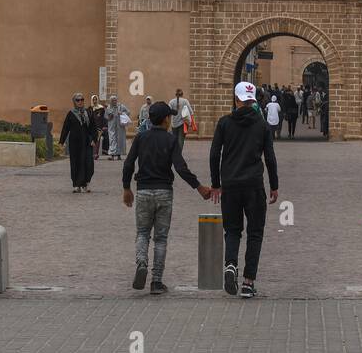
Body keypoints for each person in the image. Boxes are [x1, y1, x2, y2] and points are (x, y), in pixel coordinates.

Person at [123, 101, 213, 293]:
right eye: (170, 117)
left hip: (143, 190)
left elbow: (129, 163)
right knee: (161, 238)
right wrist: (199, 187)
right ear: (165, 120)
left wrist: (126, 188)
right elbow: (180, 168)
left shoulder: (141, 138)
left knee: (142, 233)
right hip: (164, 192)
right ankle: (156, 281)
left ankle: (141, 263)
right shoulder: (171, 140)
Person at [210, 81, 280, 298]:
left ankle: (231, 265)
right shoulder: (261, 125)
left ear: (236, 99)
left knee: (232, 231)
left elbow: (214, 155)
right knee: (255, 233)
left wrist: (215, 184)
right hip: (253, 185)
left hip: (230, 185)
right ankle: (248, 282)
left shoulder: (224, 123)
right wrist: (274, 185)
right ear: (253, 100)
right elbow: (270, 157)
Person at [59, 93, 96, 192]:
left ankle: (86, 183)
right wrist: (61, 142)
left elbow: (93, 127)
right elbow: (65, 128)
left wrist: (94, 139)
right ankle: (77, 184)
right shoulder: (71, 113)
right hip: (75, 143)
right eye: (78, 100)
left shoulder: (88, 112)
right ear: (74, 102)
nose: (80, 102)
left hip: (87, 142)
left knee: (88, 163)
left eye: (82, 100)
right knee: (76, 162)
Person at [104, 94, 131, 162]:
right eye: (112, 100)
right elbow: (106, 117)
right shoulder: (108, 107)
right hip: (112, 127)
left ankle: (119, 155)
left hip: (120, 127)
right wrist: (109, 117)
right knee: (112, 139)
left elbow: (128, 112)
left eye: (115, 100)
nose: (114, 101)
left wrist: (121, 113)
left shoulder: (121, 106)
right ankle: (112, 155)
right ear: (110, 101)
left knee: (120, 140)